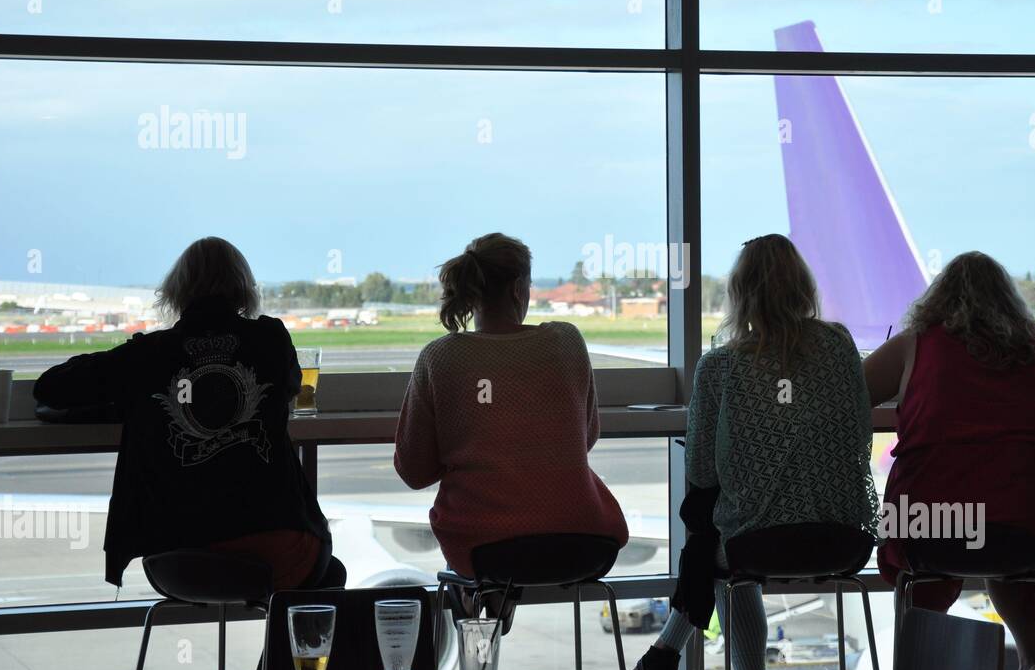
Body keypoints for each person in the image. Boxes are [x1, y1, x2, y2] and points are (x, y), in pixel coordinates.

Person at [624, 234, 879, 670]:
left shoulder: (720, 366)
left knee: (716, 549)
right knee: (718, 547)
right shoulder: (840, 347)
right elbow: (858, 431)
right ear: (803, 286)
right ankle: (661, 660)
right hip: (847, 538)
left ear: (739, 293)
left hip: (760, 546)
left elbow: (701, 470)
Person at [33, 237, 340, 593]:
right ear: (243, 290)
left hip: (178, 558)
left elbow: (50, 387)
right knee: (326, 578)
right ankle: (282, 650)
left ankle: (279, 650)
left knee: (322, 579)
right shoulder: (271, 341)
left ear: (177, 292)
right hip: (281, 551)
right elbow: (288, 388)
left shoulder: (148, 355)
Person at [864, 251, 1035, 670]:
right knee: (1005, 549)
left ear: (938, 299)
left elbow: (844, 397)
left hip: (932, 524)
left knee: (931, 559)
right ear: (1010, 301)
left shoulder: (916, 343)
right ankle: (1033, 664)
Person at [393, 232, 628, 628]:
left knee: (479, 548)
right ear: (520, 288)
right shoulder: (566, 341)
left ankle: (479, 628)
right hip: (585, 544)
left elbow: (413, 472)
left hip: (488, 549)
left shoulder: (442, 357)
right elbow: (584, 438)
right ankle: (498, 606)